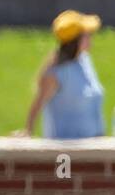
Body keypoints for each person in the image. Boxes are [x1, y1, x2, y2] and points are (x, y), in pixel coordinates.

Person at [23, 10, 105, 139]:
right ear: (75, 41)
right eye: (86, 35)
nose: (91, 38)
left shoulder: (85, 61)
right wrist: (28, 131)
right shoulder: (55, 72)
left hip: (92, 147)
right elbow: (37, 105)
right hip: (65, 152)